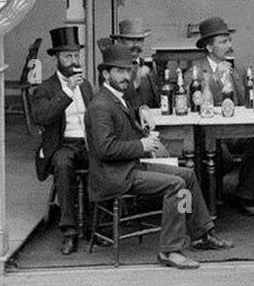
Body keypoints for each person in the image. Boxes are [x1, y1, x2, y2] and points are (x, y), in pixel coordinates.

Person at [86, 43, 232, 269]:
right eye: (119, 71)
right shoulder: (100, 106)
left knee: (188, 175)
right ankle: (170, 250)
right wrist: (142, 145)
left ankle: (201, 233)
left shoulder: (118, 97)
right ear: (105, 73)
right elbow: (105, 149)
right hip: (114, 176)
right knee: (176, 186)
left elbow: (130, 110)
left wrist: (142, 110)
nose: (126, 76)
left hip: (129, 167)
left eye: (128, 70)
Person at [192, 17, 254, 217]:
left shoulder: (236, 68)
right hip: (211, 132)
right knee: (220, 155)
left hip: (236, 129)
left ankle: (246, 194)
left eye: (229, 41)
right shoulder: (197, 70)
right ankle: (211, 196)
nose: (229, 45)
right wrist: (216, 77)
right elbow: (197, 99)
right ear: (209, 47)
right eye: (223, 42)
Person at [29, 26, 92, 255]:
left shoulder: (86, 85)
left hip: (86, 143)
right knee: (64, 167)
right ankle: (70, 232)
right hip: (61, 145)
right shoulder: (45, 89)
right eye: (68, 56)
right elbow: (41, 117)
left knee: (105, 161)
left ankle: (96, 226)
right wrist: (67, 92)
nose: (73, 61)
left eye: (76, 55)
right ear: (56, 58)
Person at [106, 18, 160, 111]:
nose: (136, 45)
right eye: (131, 40)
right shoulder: (111, 69)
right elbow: (110, 101)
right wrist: (135, 83)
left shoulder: (149, 66)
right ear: (120, 41)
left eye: (139, 40)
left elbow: (155, 100)